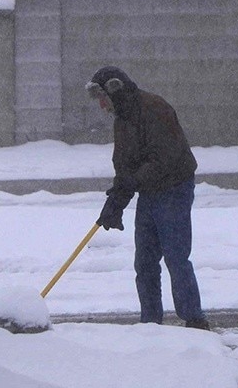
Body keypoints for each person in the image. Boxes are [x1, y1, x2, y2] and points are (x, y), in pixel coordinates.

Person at [89, 66, 209, 328]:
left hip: (174, 188)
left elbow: (164, 157)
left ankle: (194, 319)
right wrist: (116, 202)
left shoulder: (155, 108)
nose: (101, 106)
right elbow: (124, 164)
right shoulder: (122, 118)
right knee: (144, 262)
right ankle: (151, 324)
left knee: (175, 257)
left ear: (115, 91)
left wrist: (133, 182)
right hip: (149, 191)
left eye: (103, 99)